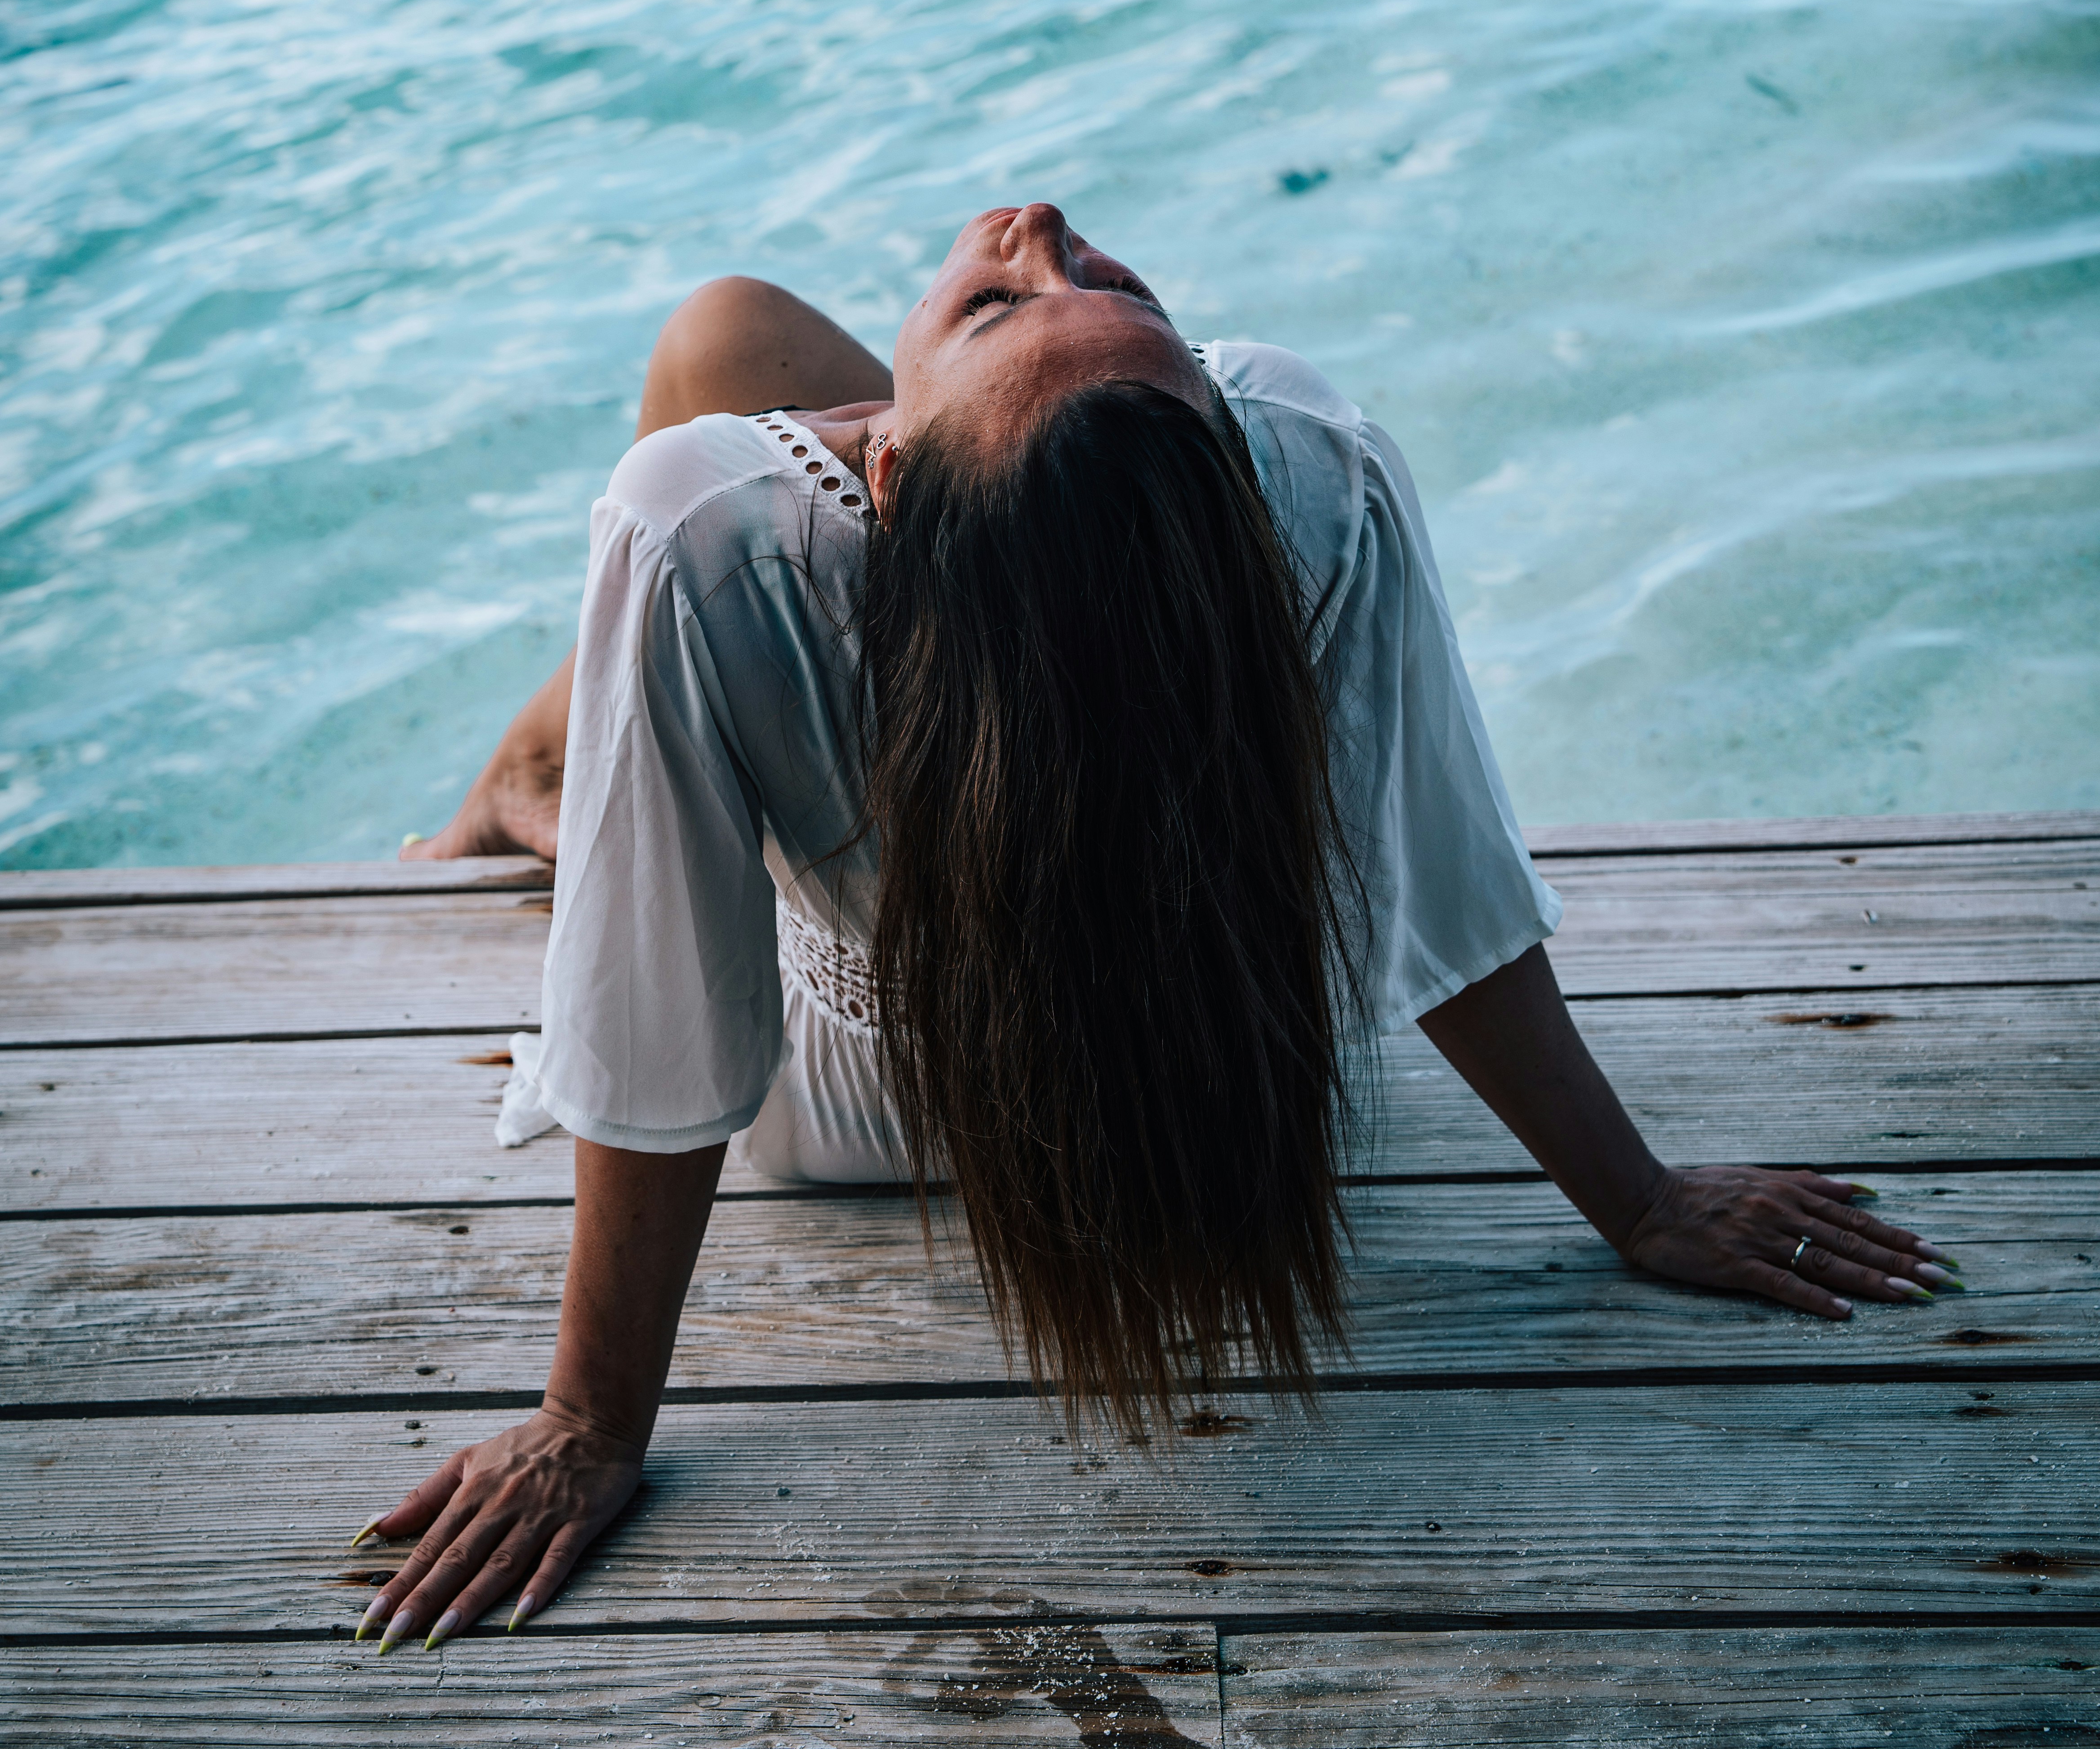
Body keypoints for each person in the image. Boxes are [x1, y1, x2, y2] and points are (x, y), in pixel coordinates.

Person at [354, 204, 1954, 1653]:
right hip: (1225, 1064)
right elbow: (1438, 868)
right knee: (761, 368)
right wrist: (1635, 1196)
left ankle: (541, 764)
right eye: (1049, 285)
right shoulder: (1307, 457)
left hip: (871, 1108)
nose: (1044, 230)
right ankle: (551, 759)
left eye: (1049, 290)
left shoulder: (695, 525)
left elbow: (662, 1017)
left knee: (713, 388)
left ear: (884, 482)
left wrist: (593, 1421)